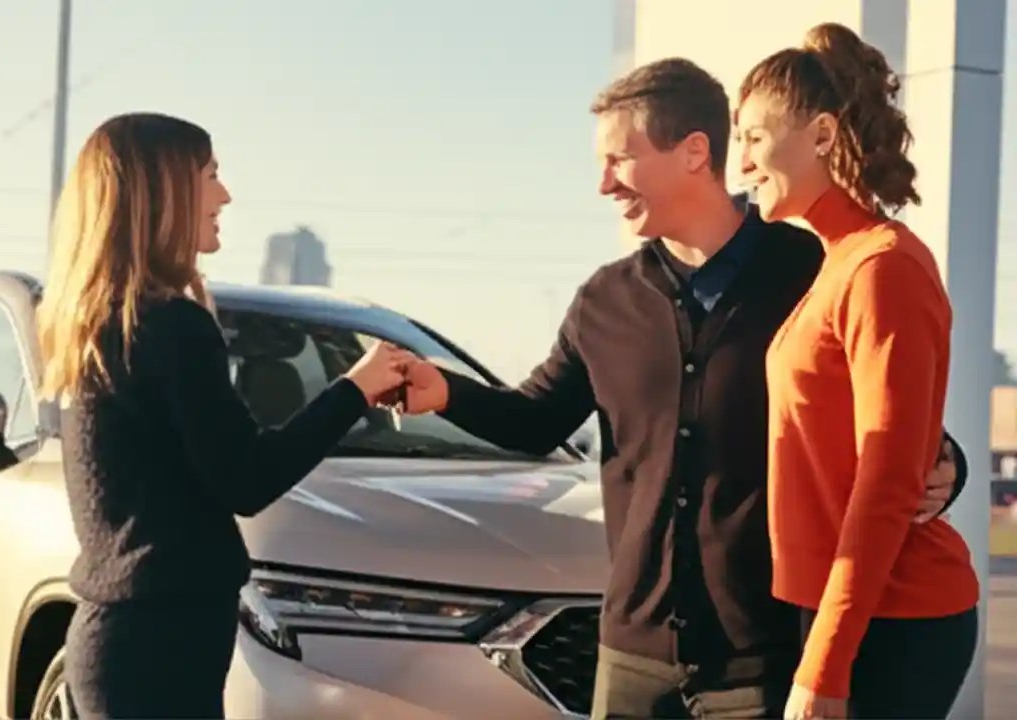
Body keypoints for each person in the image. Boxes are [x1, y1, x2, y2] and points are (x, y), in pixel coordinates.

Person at [398, 57, 968, 719]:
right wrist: (445, 392)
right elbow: (536, 419)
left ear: (694, 152)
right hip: (632, 659)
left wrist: (943, 461)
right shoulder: (604, 302)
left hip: (767, 654)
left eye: (620, 159)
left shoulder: (810, 270)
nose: (603, 184)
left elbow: (881, 420)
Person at [35, 112, 414, 719]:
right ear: (164, 192)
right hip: (159, 654)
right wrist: (355, 388)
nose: (225, 195)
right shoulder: (170, 326)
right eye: (210, 175)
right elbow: (246, 476)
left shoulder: (114, 321)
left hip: (127, 644)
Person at [736, 23, 980, 719]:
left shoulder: (882, 267)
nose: (742, 161)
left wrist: (825, 667)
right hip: (842, 612)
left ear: (819, 136)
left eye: (754, 136)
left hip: (893, 624)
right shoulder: (837, 265)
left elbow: (885, 483)